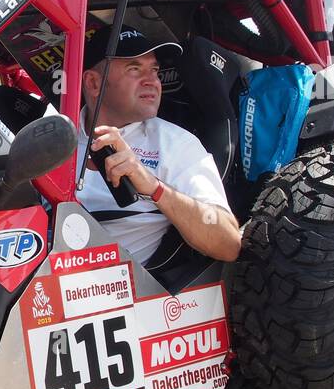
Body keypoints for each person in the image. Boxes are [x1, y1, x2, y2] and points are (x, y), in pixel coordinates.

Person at [76, 27, 241, 264]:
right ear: (93, 83)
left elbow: (228, 243)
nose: (152, 81)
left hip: (122, 292)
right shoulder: (55, 138)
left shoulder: (175, 144)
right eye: (135, 69)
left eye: (154, 70)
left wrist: (155, 188)